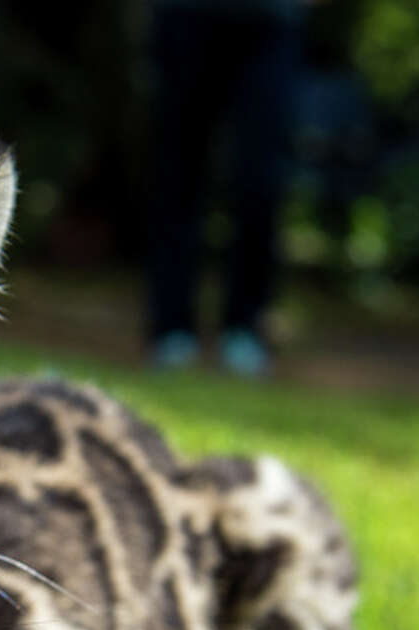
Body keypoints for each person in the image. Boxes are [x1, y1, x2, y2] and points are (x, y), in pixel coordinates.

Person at [145, 0, 308, 377]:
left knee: (260, 181)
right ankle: (170, 331)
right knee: (177, 178)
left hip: (272, 21)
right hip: (188, 15)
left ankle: (245, 329)